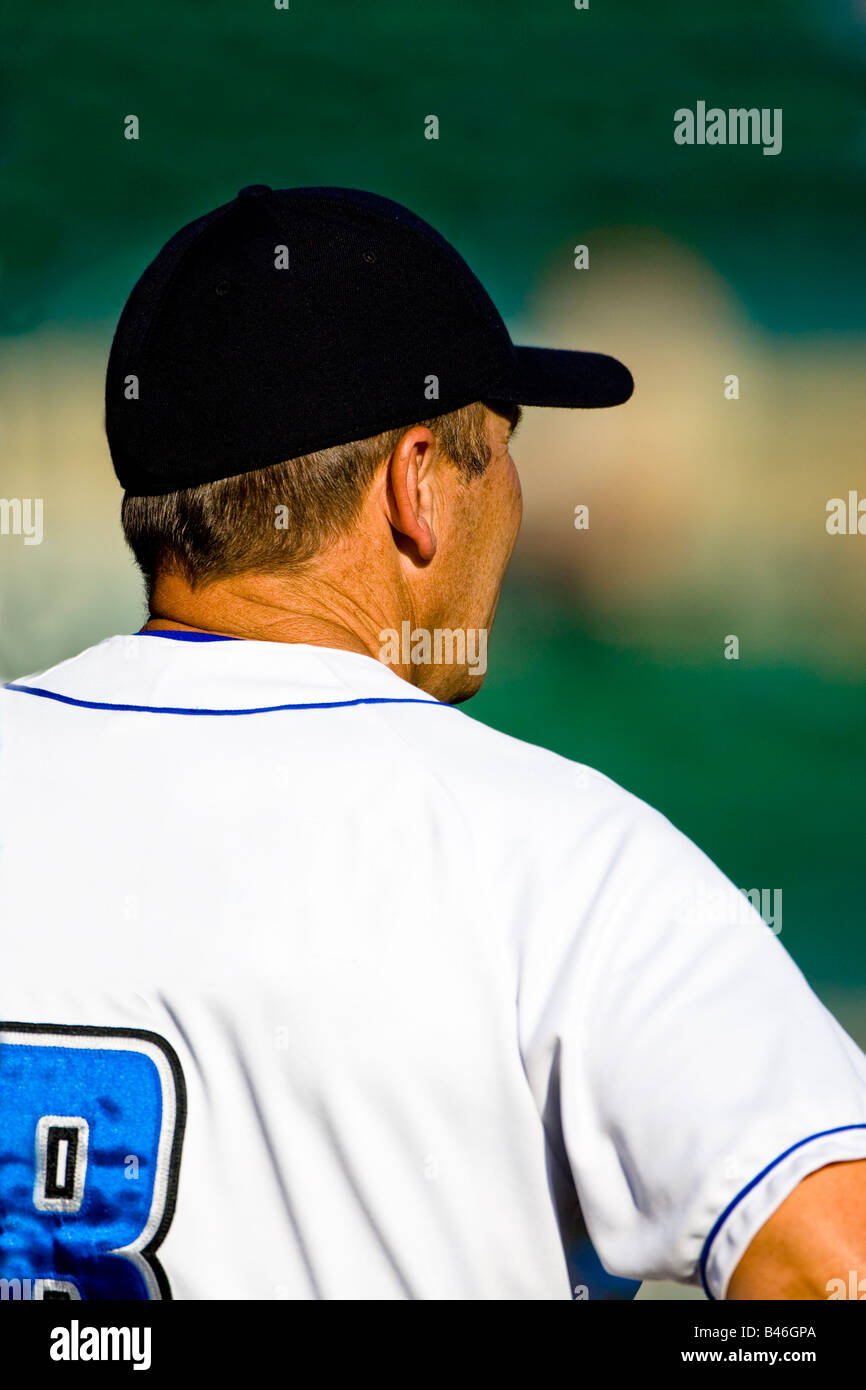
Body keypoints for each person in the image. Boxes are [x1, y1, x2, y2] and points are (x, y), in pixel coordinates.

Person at [1, 185, 864, 1301]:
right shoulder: (551, 854)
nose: (516, 496)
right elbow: (829, 1256)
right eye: (497, 451)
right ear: (415, 485)